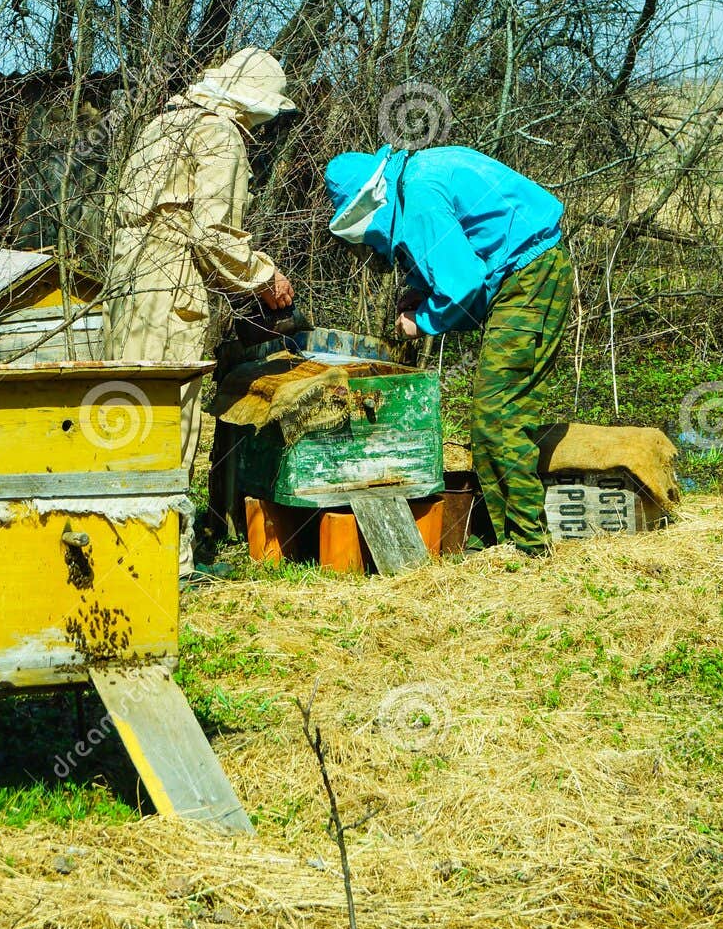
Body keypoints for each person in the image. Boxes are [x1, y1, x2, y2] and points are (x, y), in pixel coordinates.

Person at [324, 143, 572, 556]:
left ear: (367, 206)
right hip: (525, 273)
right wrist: (421, 293)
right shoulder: (418, 177)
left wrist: (421, 322)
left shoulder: (419, 197)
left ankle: (528, 546)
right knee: (493, 412)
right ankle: (506, 535)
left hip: (530, 278)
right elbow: (462, 257)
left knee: (499, 413)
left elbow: (463, 285)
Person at [105, 47, 296, 575]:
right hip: (171, 299)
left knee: (125, 422)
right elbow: (213, 235)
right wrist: (264, 276)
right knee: (171, 426)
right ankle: (169, 566)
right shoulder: (219, 134)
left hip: (127, 294)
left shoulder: (163, 124)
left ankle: (120, 556)